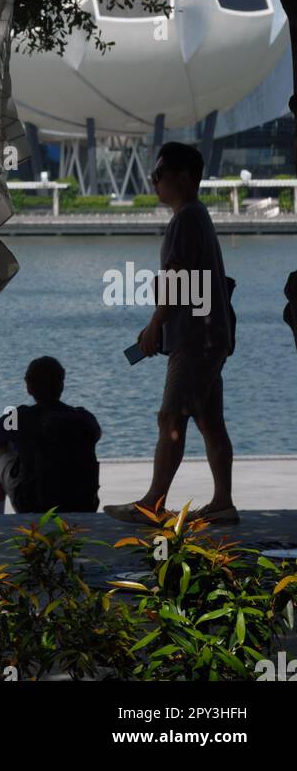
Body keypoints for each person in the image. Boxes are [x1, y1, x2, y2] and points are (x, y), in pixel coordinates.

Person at [104, 141, 237, 527]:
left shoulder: (185, 219)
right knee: (211, 421)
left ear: (183, 176)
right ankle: (223, 503)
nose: (154, 182)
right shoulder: (197, 216)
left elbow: (177, 279)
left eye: (159, 174)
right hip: (212, 335)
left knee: (170, 418)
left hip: (194, 340)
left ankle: (152, 503)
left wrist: (154, 325)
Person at [0, 356, 101, 514]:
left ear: (28, 387)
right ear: (61, 385)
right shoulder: (84, 418)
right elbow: (97, 435)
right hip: (83, 505)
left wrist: (17, 440)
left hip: (32, 505)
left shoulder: (18, 417)